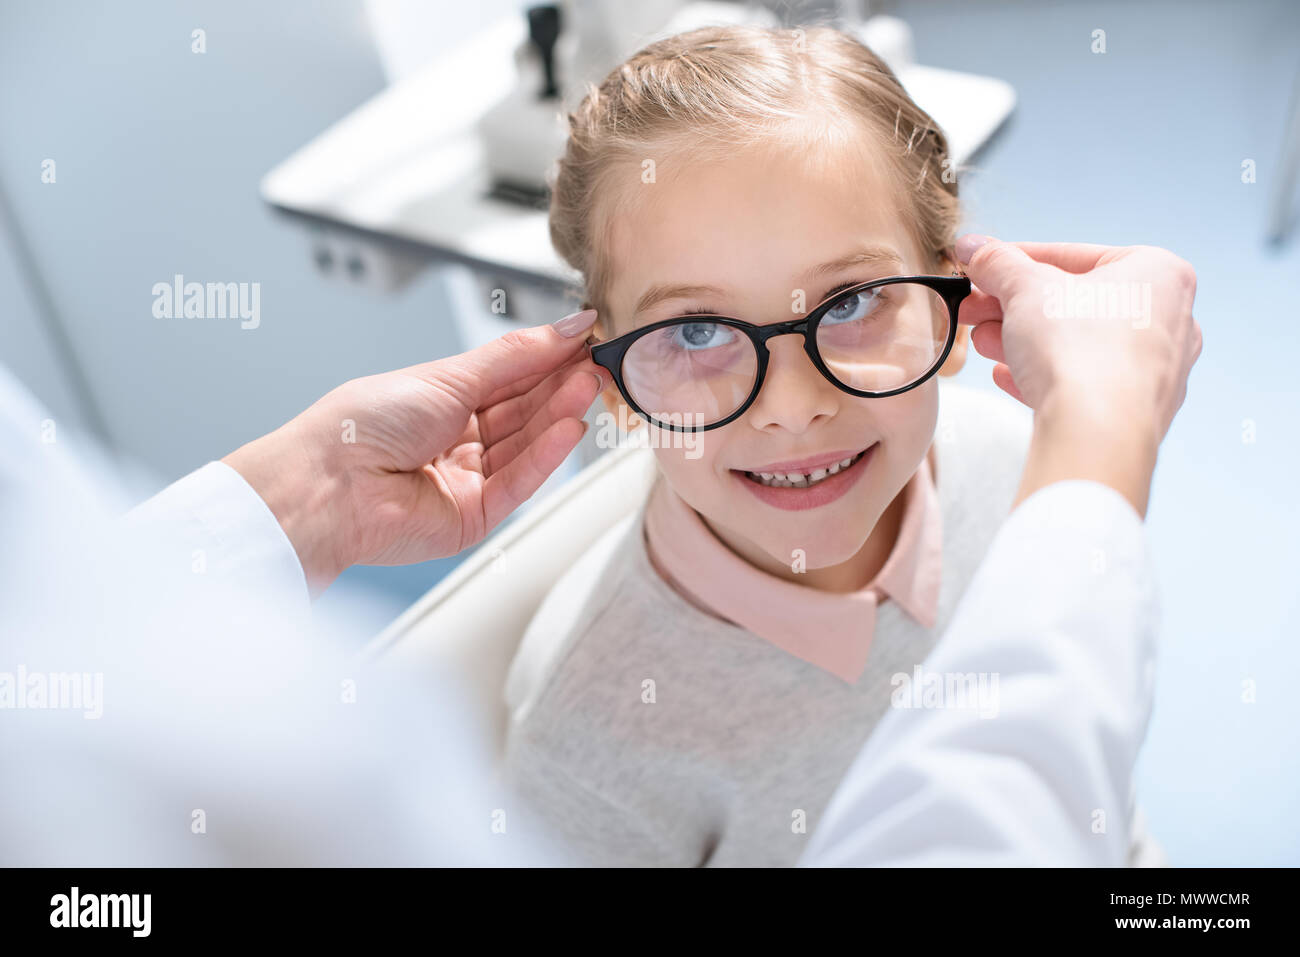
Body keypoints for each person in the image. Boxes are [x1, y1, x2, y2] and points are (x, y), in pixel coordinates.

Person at [496, 24, 1164, 866]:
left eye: (850, 303)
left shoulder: (1029, 465)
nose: (790, 406)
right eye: (698, 328)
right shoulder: (584, 745)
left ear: (955, 308)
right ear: (616, 386)